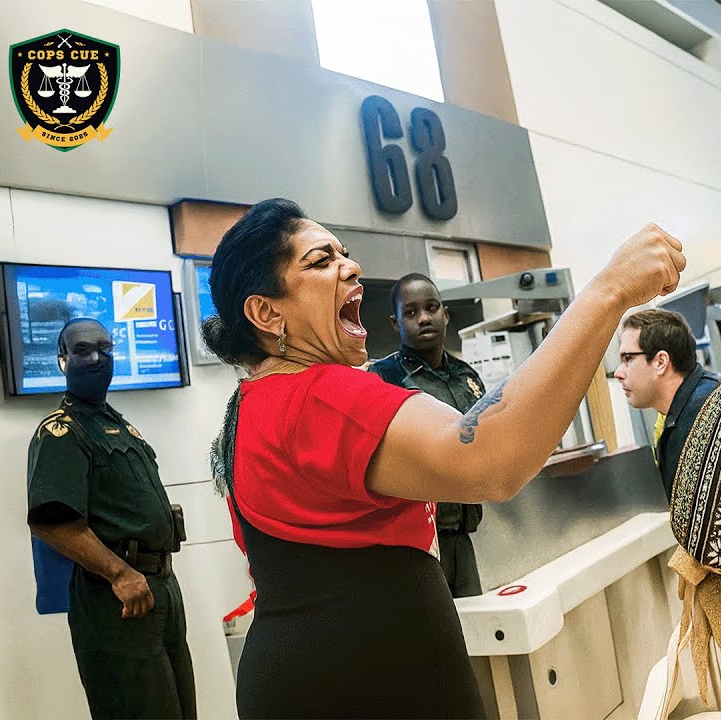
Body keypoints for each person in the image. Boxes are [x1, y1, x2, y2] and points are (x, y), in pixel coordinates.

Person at [204, 198, 684, 719]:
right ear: (266, 312)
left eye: (345, 253)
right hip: (368, 684)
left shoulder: (253, 404)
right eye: (321, 262)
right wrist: (609, 291)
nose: (352, 266)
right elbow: (489, 458)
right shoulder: (322, 396)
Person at [27, 318, 196, 719]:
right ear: (62, 360)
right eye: (83, 350)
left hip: (158, 586)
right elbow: (51, 523)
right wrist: (120, 575)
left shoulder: (119, 426)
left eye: (105, 348)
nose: (97, 357)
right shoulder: (61, 432)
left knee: (178, 708)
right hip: (117, 597)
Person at [369, 273, 488, 597]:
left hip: (463, 532)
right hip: (414, 541)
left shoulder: (468, 377)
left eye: (431, 307)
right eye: (411, 312)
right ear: (396, 323)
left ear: (445, 314)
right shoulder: (384, 378)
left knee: (477, 632)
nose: (423, 318)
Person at [613, 309, 719, 498]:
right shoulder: (673, 417)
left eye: (628, 359)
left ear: (661, 362)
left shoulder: (704, 416)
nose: (618, 373)